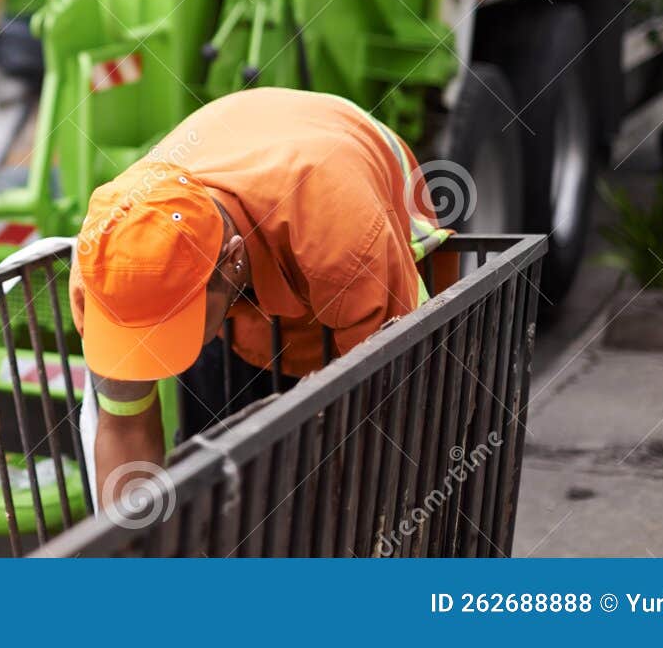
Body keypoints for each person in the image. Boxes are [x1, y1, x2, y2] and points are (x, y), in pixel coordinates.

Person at [70, 87, 450, 507]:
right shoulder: (110, 259)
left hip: (341, 219)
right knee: (220, 477)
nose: (151, 350)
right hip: (252, 272)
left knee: (332, 475)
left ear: (232, 258)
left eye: (172, 322)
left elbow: (394, 414)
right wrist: (131, 555)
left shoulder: (342, 235)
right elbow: (125, 428)